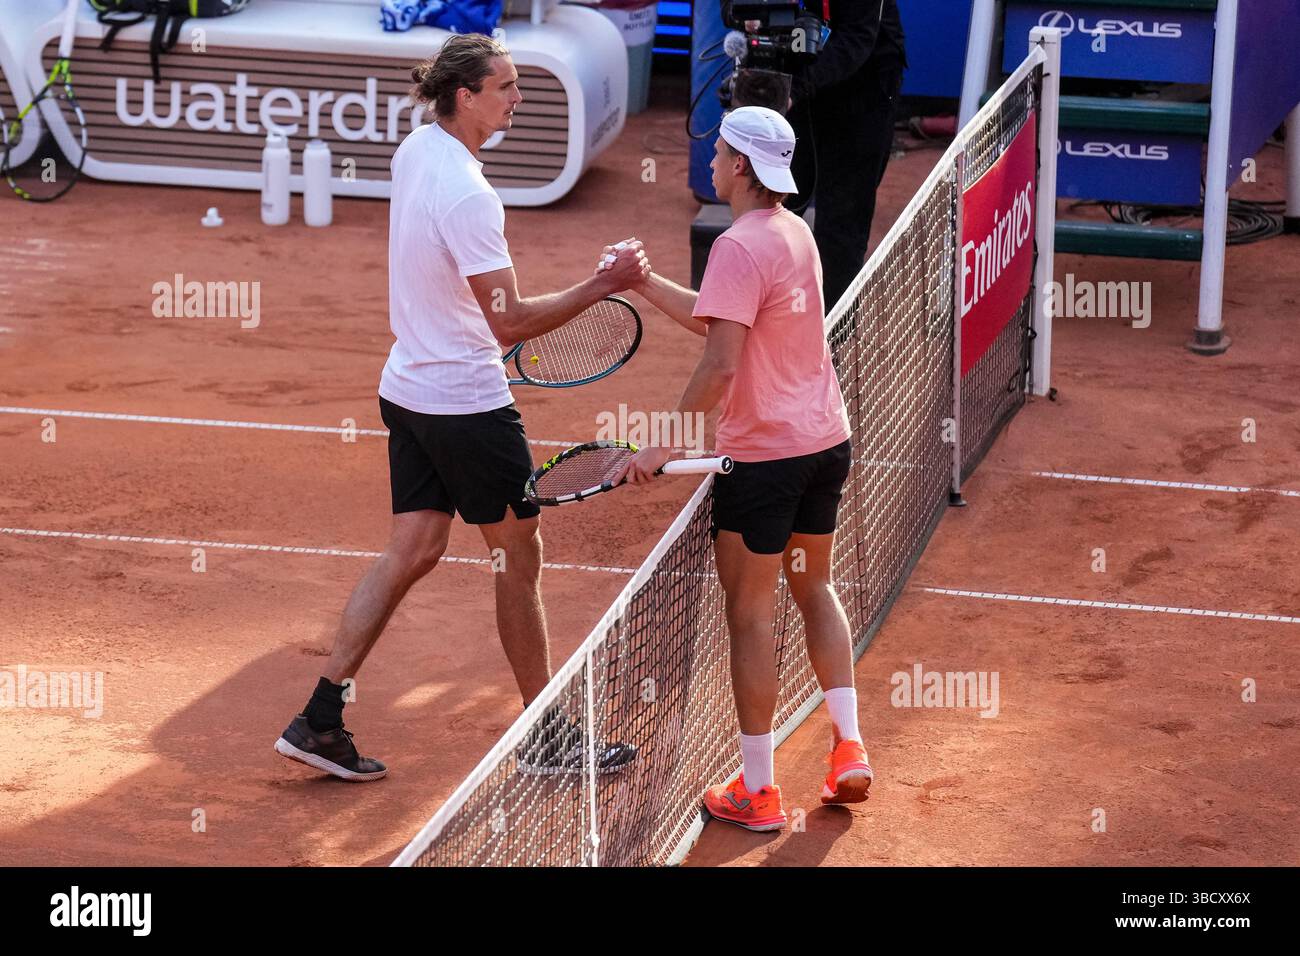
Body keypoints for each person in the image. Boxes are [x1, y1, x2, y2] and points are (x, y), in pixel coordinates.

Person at [274, 34, 648, 782]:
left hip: (408, 387)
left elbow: (464, 295)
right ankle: (547, 737)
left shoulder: (418, 150)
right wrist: (602, 285)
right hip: (465, 405)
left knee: (413, 548)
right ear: (465, 96)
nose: (517, 98)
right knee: (520, 558)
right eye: (505, 86)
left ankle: (320, 718)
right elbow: (508, 321)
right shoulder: (472, 195)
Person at [612, 106, 872, 831]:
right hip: (825, 443)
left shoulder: (734, 244)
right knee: (812, 586)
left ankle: (758, 793)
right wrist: (644, 281)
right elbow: (725, 317)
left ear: (742, 168)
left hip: (765, 462)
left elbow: (720, 361)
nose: (713, 161)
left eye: (720, 152)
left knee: (751, 615)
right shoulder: (795, 234)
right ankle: (847, 745)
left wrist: (663, 441)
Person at [785, 0, 907, 311]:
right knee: (776, 201)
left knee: (840, 221)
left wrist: (794, 90)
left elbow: (856, 37)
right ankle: (766, 317)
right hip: (794, 78)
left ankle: (828, 335)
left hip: (864, 89)